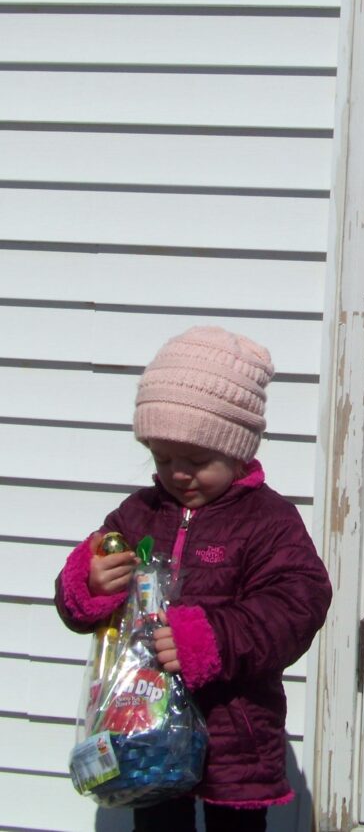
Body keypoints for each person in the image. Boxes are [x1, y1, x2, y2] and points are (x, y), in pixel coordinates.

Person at [55, 326, 332, 832]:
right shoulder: (138, 514)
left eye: (197, 460)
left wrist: (211, 639)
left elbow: (299, 602)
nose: (177, 474)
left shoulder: (267, 521)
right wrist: (89, 583)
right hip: (145, 727)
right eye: (162, 458)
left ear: (238, 449)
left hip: (235, 732)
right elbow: (79, 597)